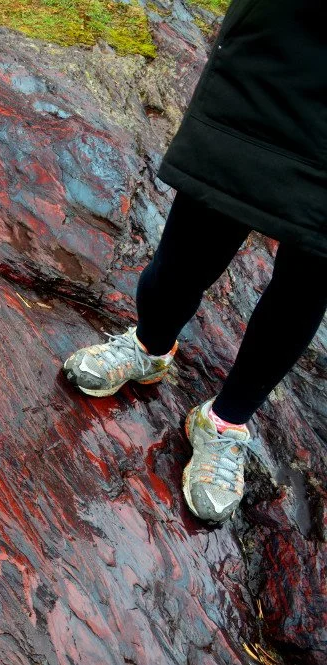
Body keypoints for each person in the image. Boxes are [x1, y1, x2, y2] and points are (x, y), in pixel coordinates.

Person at [63, 0, 327, 524]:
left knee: (311, 277)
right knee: (200, 223)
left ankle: (224, 423)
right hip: (279, 52)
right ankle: (149, 346)